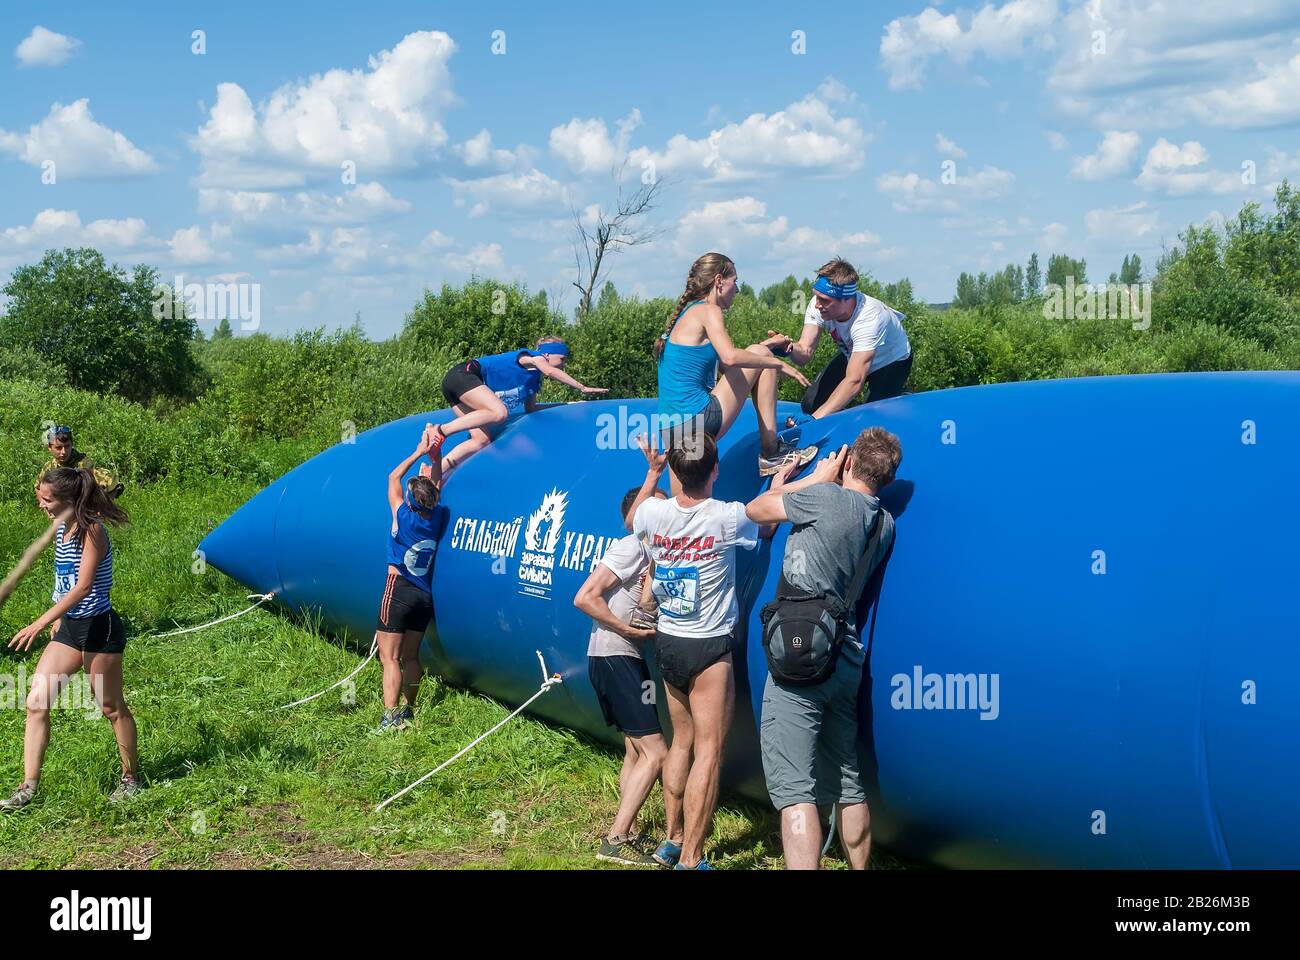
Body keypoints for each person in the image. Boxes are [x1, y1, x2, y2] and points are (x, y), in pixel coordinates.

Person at [744, 427, 902, 869]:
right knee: (848, 783)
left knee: (795, 791)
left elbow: (757, 509)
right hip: (845, 654)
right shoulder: (883, 523)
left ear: (849, 462)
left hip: (801, 655)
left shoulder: (826, 498)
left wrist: (818, 475)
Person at [630, 432, 774, 869]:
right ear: (715, 471)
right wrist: (784, 478)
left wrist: (652, 472)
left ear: (674, 472)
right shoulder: (725, 518)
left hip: (669, 640)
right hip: (709, 646)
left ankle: (671, 841)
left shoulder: (652, 514)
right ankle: (692, 858)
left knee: (681, 744)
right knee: (709, 752)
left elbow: (633, 516)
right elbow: (767, 521)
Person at [3, 468, 137, 811]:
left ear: (68, 500)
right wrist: (59, 615)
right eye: (40, 499)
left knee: (110, 707)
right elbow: (65, 580)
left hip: (98, 628)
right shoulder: (61, 528)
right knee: (36, 701)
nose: (42, 506)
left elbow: (84, 587)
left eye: (47, 500)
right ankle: (28, 788)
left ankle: (131, 779)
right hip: (70, 628)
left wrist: (38, 622)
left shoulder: (92, 531)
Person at [573, 483, 670, 867]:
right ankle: (615, 839)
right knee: (657, 752)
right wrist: (627, 630)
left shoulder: (655, 553)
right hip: (616, 656)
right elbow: (584, 597)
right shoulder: (632, 546)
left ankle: (625, 829)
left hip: (628, 658)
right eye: (660, 508)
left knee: (635, 747)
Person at [654, 253, 815, 478]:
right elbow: (730, 358)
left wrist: (766, 346)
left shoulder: (686, 314)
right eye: (735, 281)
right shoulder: (709, 310)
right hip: (698, 420)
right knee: (761, 355)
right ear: (719, 281)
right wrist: (774, 362)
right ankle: (772, 452)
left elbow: (728, 367)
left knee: (686, 505)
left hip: (672, 431)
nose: (737, 290)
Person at [436, 336, 608, 481]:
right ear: (547, 354)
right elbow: (549, 371)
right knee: (499, 413)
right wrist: (581, 387)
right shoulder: (533, 357)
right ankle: (440, 430)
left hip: (455, 387)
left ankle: (435, 471)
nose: (564, 365)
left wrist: (567, 405)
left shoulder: (532, 382)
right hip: (462, 376)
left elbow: (531, 408)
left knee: (481, 440)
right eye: (562, 359)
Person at [765, 259, 912, 419]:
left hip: (890, 362)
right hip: (853, 354)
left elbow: (854, 381)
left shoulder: (870, 318)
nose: (817, 305)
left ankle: (902, 396)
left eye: (825, 300)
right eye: (817, 297)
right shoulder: (819, 305)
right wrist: (789, 348)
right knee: (811, 405)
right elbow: (805, 353)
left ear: (847, 300)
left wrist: (814, 421)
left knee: (871, 417)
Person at [373, 424, 445, 733]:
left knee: (389, 657)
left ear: (412, 503)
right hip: (424, 595)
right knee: (411, 656)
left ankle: (390, 718)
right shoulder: (438, 517)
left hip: (398, 589)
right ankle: (410, 710)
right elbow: (435, 486)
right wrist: (436, 456)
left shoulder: (402, 515)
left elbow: (392, 478)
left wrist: (419, 450)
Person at [37, 425, 122, 499]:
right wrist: (46, 507)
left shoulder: (83, 464)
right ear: (49, 447)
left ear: (72, 444)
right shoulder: (49, 467)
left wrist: (101, 510)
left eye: (67, 446)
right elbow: (38, 487)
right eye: (58, 448)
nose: (64, 452)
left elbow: (112, 483)